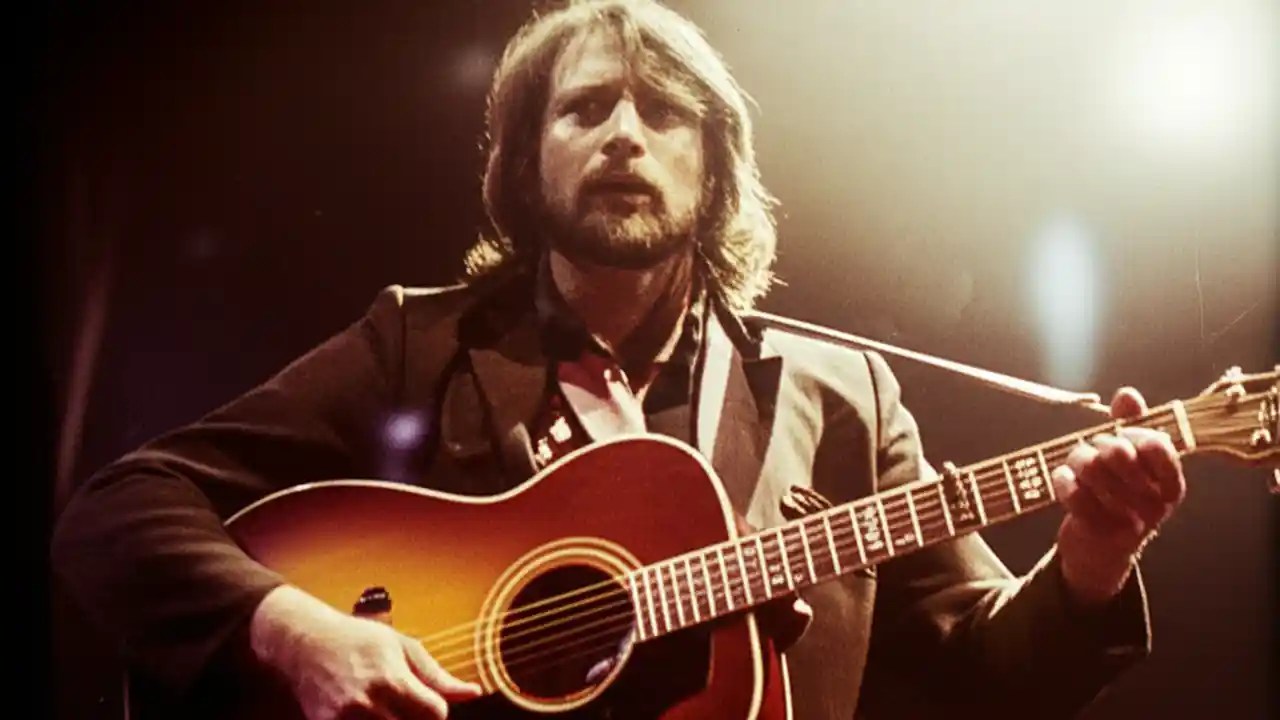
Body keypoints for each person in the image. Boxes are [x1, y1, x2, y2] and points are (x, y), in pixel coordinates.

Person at [50, 1, 1189, 718]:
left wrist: (1089, 555)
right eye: (584, 109)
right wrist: (295, 629)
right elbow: (119, 512)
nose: (625, 136)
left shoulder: (840, 396)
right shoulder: (423, 341)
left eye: (663, 113)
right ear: (523, 167)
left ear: (715, 167)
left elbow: (1000, 673)